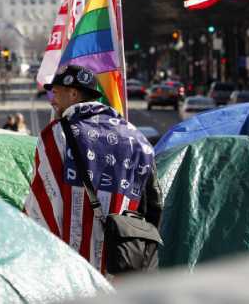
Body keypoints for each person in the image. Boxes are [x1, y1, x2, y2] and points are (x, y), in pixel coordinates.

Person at [25, 65, 162, 274]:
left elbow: (40, 203)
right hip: (122, 265)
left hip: (72, 270)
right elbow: (153, 204)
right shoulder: (138, 139)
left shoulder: (56, 135)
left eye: (56, 92)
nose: (52, 99)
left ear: (73, 93)